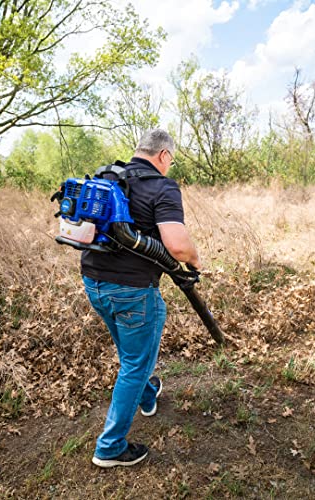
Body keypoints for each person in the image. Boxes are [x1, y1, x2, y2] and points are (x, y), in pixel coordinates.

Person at [81, 129, 201, 468]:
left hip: (94, 282)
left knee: (131, 356)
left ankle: (148, 396)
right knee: (134, 365)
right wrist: (195, 259)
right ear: (163, 155)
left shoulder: (109, 176)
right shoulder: (163, 186)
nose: (170, 166)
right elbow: (176, 246)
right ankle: (110, 447)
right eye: (171, 160)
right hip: (133, 292)